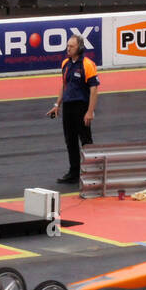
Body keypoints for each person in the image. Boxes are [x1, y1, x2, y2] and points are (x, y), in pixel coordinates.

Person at [47, 34, 99, 185]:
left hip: (81, 107)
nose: (68, 49)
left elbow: (94, 90)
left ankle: (92, 171)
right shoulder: (65, 64)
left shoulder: (87, 64)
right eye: (67, 46)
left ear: (80, 48)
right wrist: (57, 105)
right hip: (68, 107)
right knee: (70, 141)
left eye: (71, 46)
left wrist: (90, 111)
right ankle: (74, 172)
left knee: (86, 141)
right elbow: (64, 85)